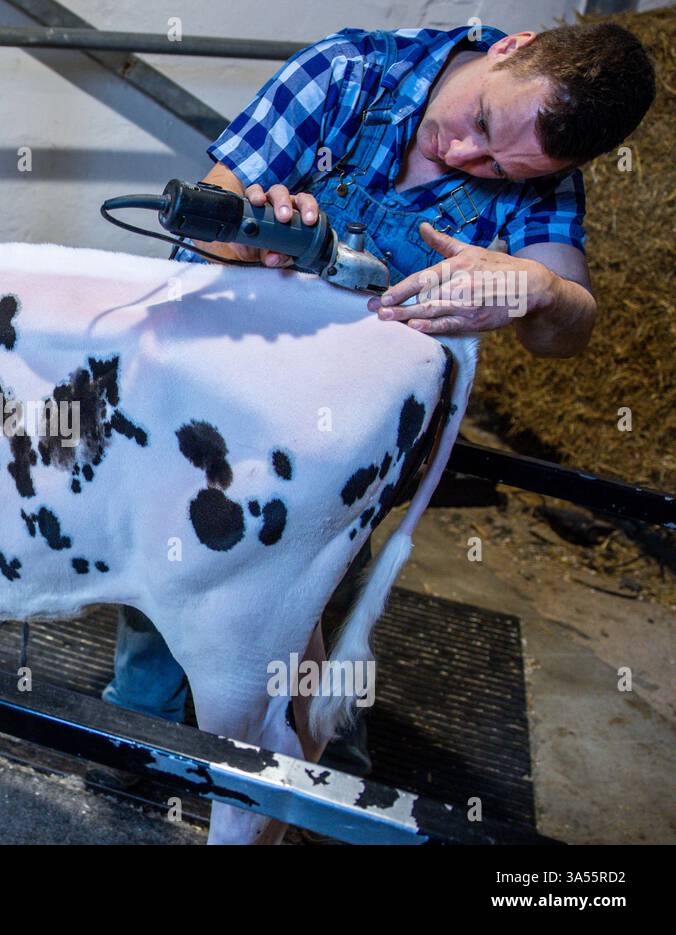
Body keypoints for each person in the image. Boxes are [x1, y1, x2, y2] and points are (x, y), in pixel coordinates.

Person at [101, 21, 655, 774]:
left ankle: (310, 750)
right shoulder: (348, 73)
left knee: (324, 585)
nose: (467, 157)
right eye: (481, 123)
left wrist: (544, 289)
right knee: (174, 570)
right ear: (510, 47)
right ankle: (142, 725)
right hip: (223, 404)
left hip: (354, 446)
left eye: (500, 165)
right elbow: (212, 211)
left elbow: (566, 330)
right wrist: (251, 235)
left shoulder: (545, 175)